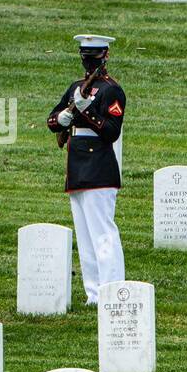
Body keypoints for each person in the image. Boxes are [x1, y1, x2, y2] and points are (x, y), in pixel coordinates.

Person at [46, 34, 126, 306]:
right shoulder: (75, 86)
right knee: (85, 236)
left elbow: (112, 132)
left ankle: (112, 288)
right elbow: (51, 120)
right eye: (85, 54)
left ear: (105, 56)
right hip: (77, 169)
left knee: (102, 232)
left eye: (93, 55)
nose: (88, 60)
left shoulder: (110, 90)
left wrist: (87, 112)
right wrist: (63, 118)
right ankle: (94, 293)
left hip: (100, 169)